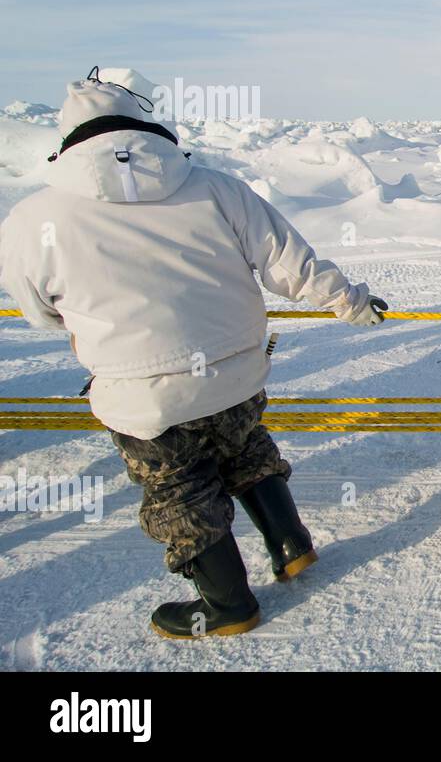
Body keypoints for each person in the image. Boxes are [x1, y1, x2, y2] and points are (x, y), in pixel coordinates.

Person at [0, 69, 388, 637]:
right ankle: (290, 543)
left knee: (179, 491)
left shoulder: (34, 217)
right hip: (236, 373)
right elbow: (287, 261)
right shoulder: (215, 186)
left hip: (143, 396)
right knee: (244, 447)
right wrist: (350, 302)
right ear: (144, 125)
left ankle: (229, 605)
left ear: (67, 141)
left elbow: (36, 309)